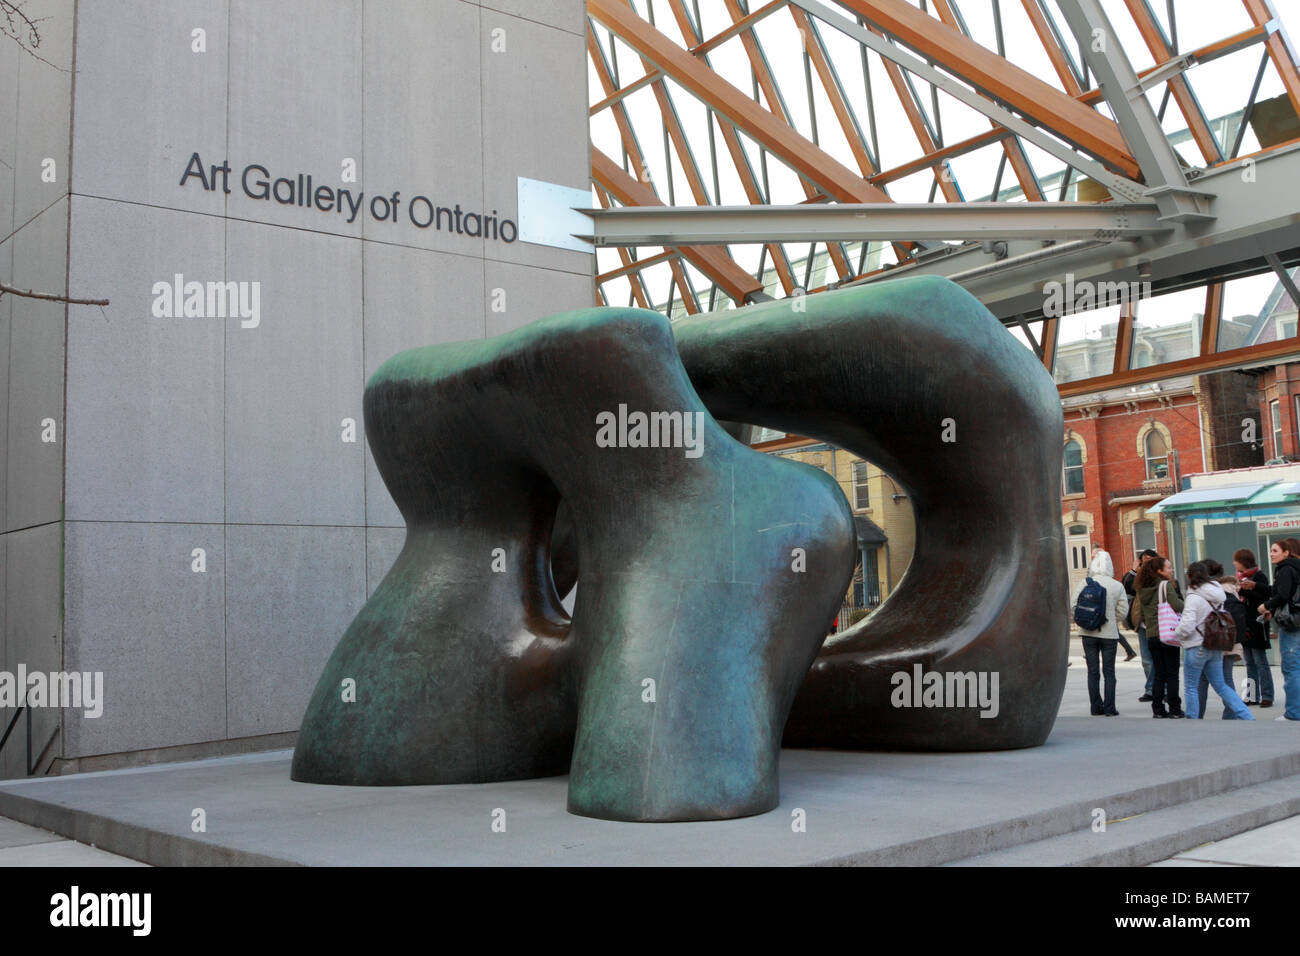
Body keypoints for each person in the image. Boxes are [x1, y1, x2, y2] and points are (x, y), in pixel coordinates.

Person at [1176, 561, 1254, 721]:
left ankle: (1192, 720)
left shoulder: (1193, 597)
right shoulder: (1218, 593)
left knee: (1191, 687)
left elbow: (1187, 626)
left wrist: (1177, 633)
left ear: (1190, 577)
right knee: (1221, 685)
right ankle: (1246, 715)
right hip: (1216, 645)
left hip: (1197, 646)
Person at [1071, 549, 1129, 716]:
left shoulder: (1085, 583)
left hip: (1088, 633)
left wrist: (1085, 621)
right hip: (1109, 634)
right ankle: (1110, 708)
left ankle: (1095, 707)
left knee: (1092, 671)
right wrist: (1110, 619)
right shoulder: (1117, 585)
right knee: (1109, 671)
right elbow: (1123, 611)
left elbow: (1073, 606)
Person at [1135, 554, 1185, 718]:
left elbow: (1142, 612)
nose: (1171, 570)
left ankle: (1157, 709)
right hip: (1167, 633)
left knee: (1158, 673)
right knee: (1172, 673)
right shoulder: (1165, 585)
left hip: (1152, 635)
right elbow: (1177, 606)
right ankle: (1175, 709)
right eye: (1169, 567)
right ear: (1159, 571)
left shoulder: (1143, 588)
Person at [1260, 538, 1300, 722]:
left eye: (1275, 550)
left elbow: (1282, 595)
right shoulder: (1295, 567)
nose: (1271, 553)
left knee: (1291, 669)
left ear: (1286, 552)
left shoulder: (1286, 569)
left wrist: (1266, 606)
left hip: (1291, 625)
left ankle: (1293, 713)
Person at [1202, 576, 1249, 719]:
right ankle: (1231, 712)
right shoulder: (1234, 598)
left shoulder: (1216, 597)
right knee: (1227, 678)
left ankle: (1199, 713)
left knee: (1205, 680)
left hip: (1217, 643)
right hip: (1232, 644)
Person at [1233, 547, 1273, 707]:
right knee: (1249, 662)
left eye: (1236, 560)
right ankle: (1251, 695)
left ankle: (1267, 696)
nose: (1234, 563)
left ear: (1243, 562)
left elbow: (1264, 598)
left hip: (1257, 623)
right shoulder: (1240, 578)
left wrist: (1245, 590)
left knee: (1260, 661)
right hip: (1245, 624)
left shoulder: (1259, 576)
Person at [1123, 548, 1159, 700]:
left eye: (1150, 560)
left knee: (1158, 659)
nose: (1146, 564)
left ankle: (1158, 689)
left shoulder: (1162, 578)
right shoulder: (1137, 578)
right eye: (1144, 561)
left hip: (1158, 626)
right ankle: (1151, 689)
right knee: (1146, 659)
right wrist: (1133, 570)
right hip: (1143, 625)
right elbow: (1125, 586)